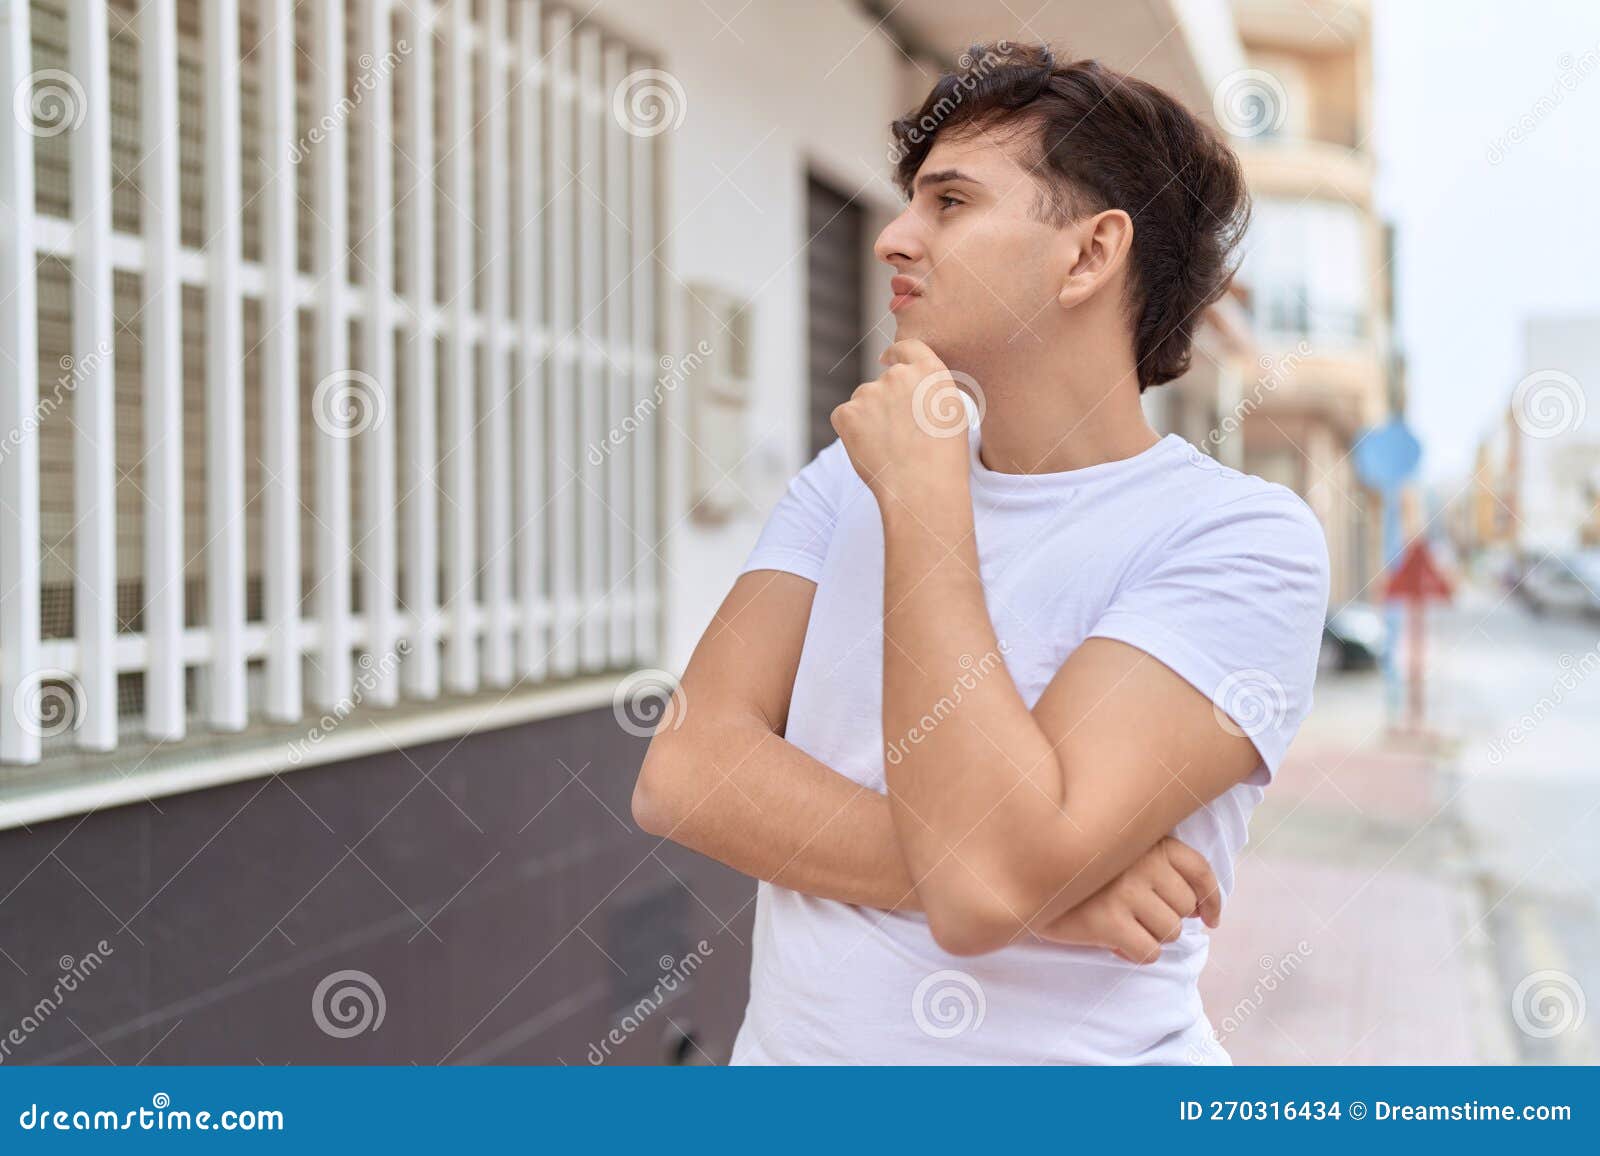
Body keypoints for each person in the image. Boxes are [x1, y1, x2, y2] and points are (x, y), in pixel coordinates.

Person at [632, 42, 1330, 1064]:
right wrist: (1052, 888)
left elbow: (983, 887)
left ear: (1089, 255)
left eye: (950, 203)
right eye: (911, 199)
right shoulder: (848, 476)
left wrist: (924, 503)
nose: (894, 239)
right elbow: (684, 774)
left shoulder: (1239, 540)